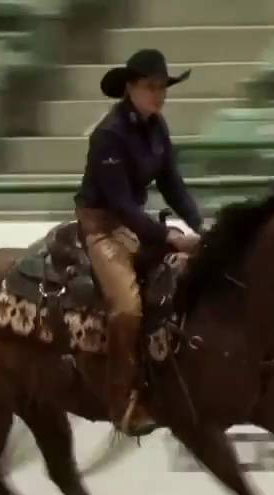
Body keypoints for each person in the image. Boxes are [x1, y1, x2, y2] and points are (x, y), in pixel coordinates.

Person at [74, 48, 204, 436]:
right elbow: (119, 204)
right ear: (130, 88)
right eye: (151, 87)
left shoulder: (157, 127)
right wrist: (169, 237)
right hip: (102, 226)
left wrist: (201, 224)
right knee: (127, 308)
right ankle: (120, 399)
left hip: (134, 224)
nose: (159, 95)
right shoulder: (108, 136)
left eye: (163, 87)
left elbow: (172, 185)